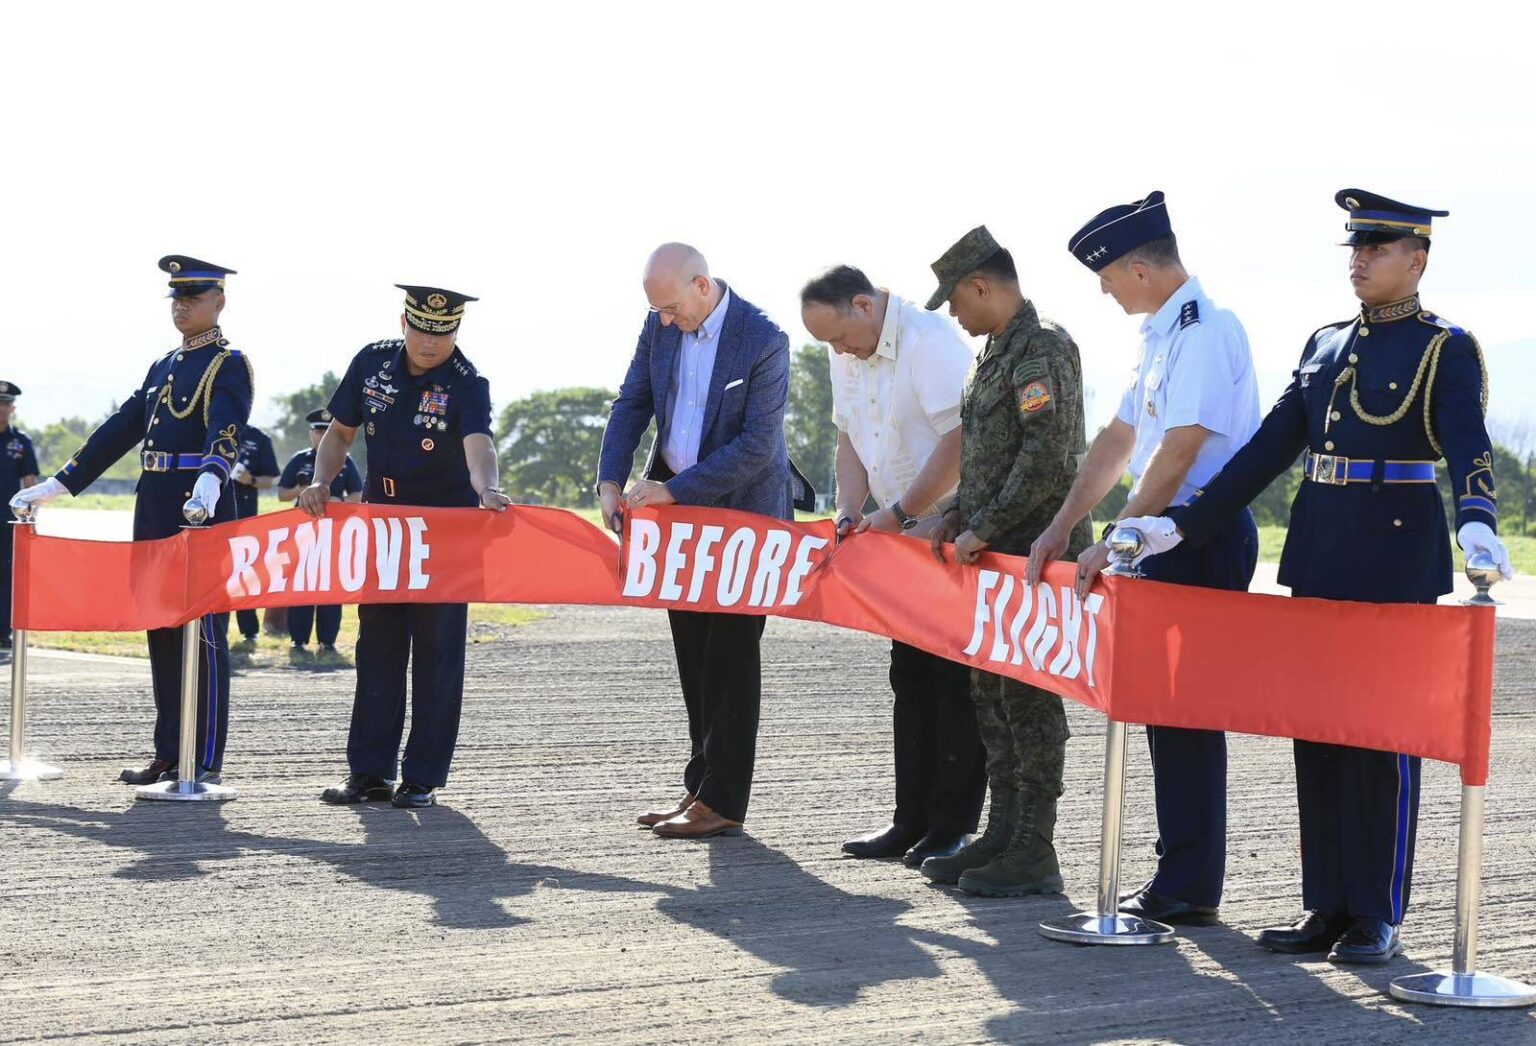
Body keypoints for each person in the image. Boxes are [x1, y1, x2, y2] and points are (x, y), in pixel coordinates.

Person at [1115, 189, 1513, 964]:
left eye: (1377, 247)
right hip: (1322, 552)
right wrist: (1181, 522)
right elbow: (1263, 454)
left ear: (1417, 259)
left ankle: (1376, 912)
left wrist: (1477, 520)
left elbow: (1468, 444)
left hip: (1397, 556)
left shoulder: (1443, 347)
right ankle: (1326, 904)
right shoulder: (1326, 344)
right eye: (1355, 247)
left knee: (1383, 738)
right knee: (1321, 732)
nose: (1360, 259)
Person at [1031, 191, 1262, 926]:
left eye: (1103, 275)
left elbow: (1178, 452)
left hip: (1198, 536)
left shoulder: (1202, 331)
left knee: (1185, 712)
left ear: (1137, 268)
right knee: (1166, 712)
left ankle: (1189, 883)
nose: (1100, 289)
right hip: (1163, 537)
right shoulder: (1163, 334)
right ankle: (1182, 875)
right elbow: (1118, 440)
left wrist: (1118, 537)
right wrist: (1066, 524)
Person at [10, 256, 252, 784]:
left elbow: (227, 428)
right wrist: (61, 482)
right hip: (155, 506)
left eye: (194, 296)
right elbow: (121, 429)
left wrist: (213, 477)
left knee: (203, 634)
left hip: (199, 510)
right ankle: (168, 751)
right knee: (161, 630)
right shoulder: (164, 364)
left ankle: (203, 758)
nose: (182, 306)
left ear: (219, 301)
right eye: (177, 297)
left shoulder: (227, 363)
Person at [598, 243, 809, 840]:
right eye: (657, 311)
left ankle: (723, 801)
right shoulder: (657, 324)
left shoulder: (763, 338)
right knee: (693, 655)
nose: (664, 320)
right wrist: (611, 478)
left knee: (730, 660)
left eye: (671, 308)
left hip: (746, 520)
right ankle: (699, 787)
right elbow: (633, 402)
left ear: (701, 284)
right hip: (678, 524)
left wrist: (675, 489)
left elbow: (757, 448)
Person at [920, 226, 1093, 897]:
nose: (955, 316)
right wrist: (958, 512)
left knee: (1029, 700)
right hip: (993, 556)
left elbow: (1048, 457)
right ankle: (1002, 830)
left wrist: (983, 522)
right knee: (990, 696)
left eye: (956, 301)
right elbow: (992, 459)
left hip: (1033, 556)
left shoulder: (1041, 346)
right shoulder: (995, 352)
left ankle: (1034, 847)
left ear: (981, 285)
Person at [799, 265, 986, 867]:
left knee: (953, 681)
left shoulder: (930, 344)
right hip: (896, 533)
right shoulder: (847, 347)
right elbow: (848, 436)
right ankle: (909, 819)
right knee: (908, 676)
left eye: (839, 337)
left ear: (863, 304)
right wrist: (850, 509)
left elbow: (962, 443)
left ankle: (951, 825)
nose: (838, 352)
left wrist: (904, 511)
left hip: (949, 531)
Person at [304, 285, 510, 810]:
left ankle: (422, 777)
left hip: (444, 533)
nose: (429, 342)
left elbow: (478, 443)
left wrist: (487, 488)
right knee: (378, 647)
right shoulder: (371, 364)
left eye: (442, 333)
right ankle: (369, 773)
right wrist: (320, 480)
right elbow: (340, 432)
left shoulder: (467, 382)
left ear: (456, 332)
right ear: (404, 322)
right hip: (384, 528)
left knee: (438, 651)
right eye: (421, 329)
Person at [278, 408, 363, 656]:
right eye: (318, 430)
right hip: (303, 530)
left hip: (334, 531)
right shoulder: (299, 459)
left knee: (330, 583)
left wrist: (339, 503)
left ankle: (327, 640)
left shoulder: (345, 462)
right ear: (310, 434)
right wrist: (301, 490)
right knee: (301, 581)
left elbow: (357, 495)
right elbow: (282, 494)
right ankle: (298, 639)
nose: (322, 435)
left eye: (327, 431)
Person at [228, 423, 279, 643]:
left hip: (245, 515)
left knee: (244, 572)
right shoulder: (209, 428)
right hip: (214, 513)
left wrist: (251, 480)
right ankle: (208, 626)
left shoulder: (259, 438)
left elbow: (270, 479)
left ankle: (249, 631)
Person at [0, 381, 40, 649]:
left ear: (13, 408)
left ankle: (3, 634)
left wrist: (32, 519)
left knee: (7, 578)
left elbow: (30, 484)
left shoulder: (21, 442)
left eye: (5, 404)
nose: (2, 409)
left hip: (7, 523)